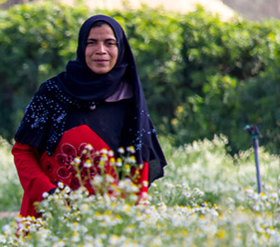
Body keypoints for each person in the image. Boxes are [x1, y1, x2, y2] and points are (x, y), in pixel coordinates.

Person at [12, 14, 166, 218]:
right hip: (50, 213)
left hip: (106, 220)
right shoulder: (52, 93)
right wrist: (48, 195)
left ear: (120, 49)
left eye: (109, 43)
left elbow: (139, 164)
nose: (101, 51)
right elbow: (23, 151)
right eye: (91, 43)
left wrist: (132, 218)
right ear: (81, 47)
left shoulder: (131, 100)